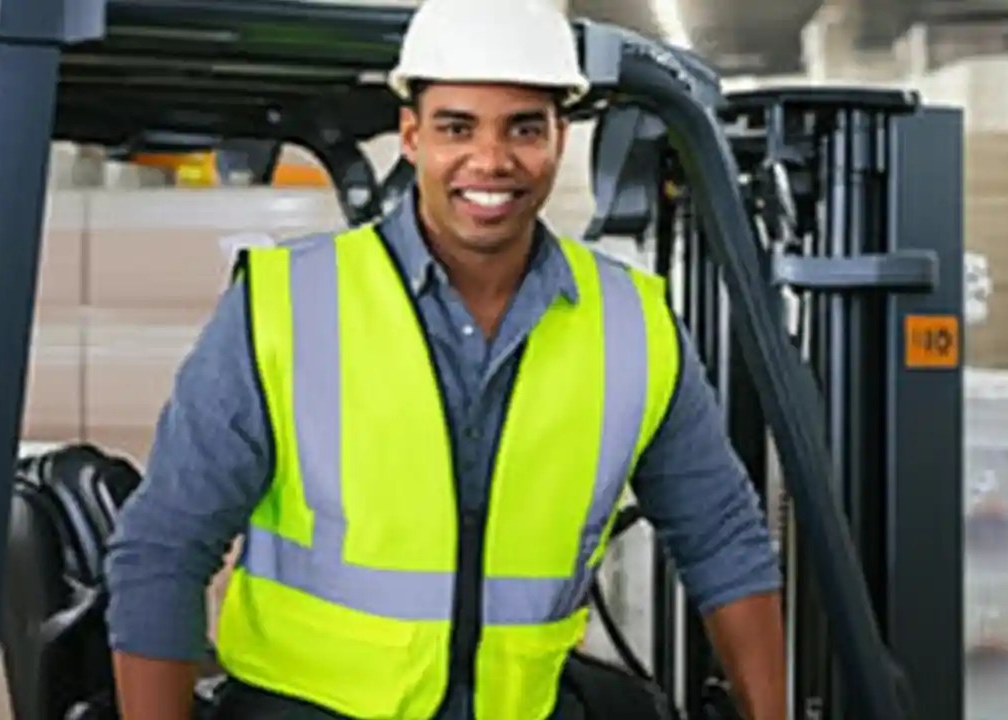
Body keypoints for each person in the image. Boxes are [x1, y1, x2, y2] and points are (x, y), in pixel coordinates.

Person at [104, 0, 787, 718]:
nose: (490, 160)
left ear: (561, 136)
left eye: (524, 128)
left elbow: (724, 544)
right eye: (457, 127)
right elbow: (163, 551)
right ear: (411, 136)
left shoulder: (633, 325)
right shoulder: (284, 305)